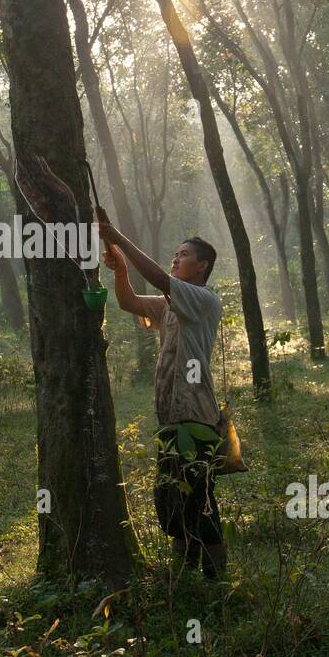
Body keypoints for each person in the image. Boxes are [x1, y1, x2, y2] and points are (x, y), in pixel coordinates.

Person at [98, 215, 227, 580]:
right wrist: (121, 272)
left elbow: (158, 278)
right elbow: (130, 303)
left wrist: (118, 236)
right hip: (171, 417)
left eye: (183, 255)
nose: (175, 258)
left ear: (201, 266)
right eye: (175, 254)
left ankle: (216, 581)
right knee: (174, 500)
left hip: (196, 417)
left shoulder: (201, 299)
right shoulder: (170, 303)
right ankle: (184, 578)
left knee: (199, 501)